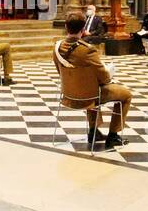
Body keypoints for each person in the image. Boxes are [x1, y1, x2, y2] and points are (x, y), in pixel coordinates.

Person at [56, 13, 132, 148]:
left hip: (68, 94)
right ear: (83, 29)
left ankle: (94, 132)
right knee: (126, 95)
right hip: (88, 96)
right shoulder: (87, 50)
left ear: (66, 27)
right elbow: (104, 78)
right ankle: (113, 135)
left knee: (90, 86)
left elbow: (60, 71)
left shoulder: (57, 47)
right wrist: (109, 73)